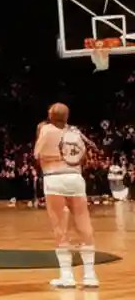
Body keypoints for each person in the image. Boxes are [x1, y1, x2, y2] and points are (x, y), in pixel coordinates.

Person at [34, 103, 100, 288]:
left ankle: (67, 276)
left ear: (50, 115)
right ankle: (90, 275)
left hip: (54, 178)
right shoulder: (76, 132)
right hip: (75, 177)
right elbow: (84, 156)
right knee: (84, 223)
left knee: (59, 226)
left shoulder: (46, 129)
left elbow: (37, 154)